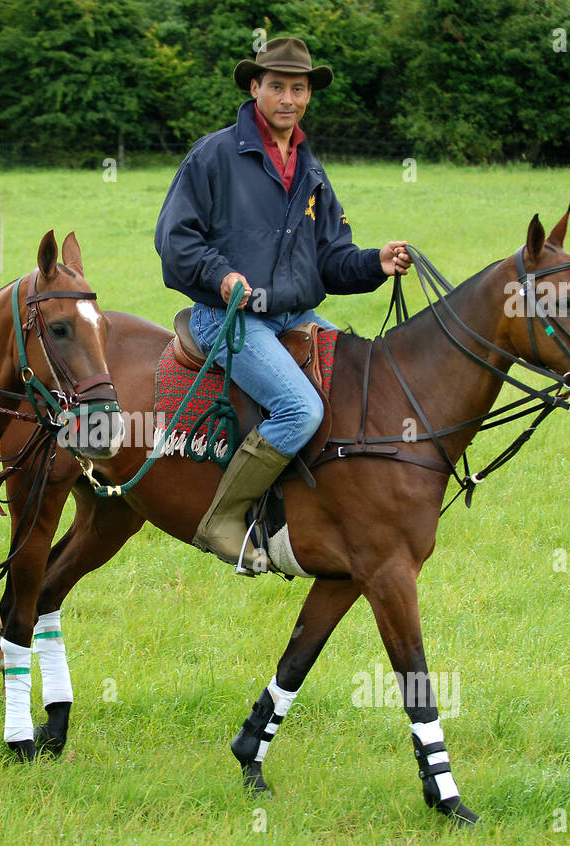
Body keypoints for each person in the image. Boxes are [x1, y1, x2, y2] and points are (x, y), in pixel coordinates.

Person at [155, 35, 411, 572]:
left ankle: (318, 513)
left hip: (294, 315)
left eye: (299, 88)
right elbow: (175, 238)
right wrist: (221, 277)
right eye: (277, 86)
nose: (288, 98)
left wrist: (374, 263)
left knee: (358, 388)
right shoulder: (215, 154)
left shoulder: (311, 171)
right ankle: (223, 519)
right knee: (302, 409)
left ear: (309, 95)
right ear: (255, 88)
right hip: (227, 318)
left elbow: (332, 258)